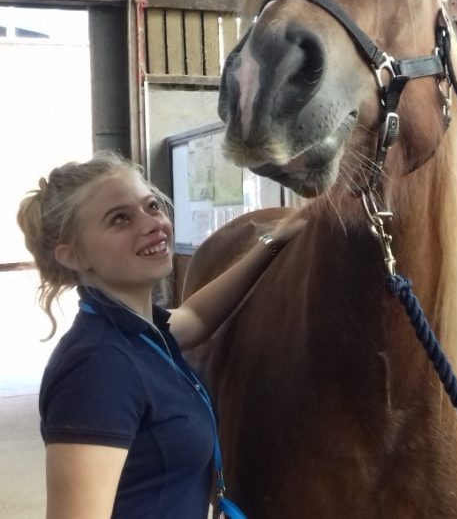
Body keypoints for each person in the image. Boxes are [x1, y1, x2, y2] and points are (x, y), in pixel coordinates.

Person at [17, 151, 304, 519]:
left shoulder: (139, 334)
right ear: (72, 256)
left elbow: (195, 317)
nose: (153, 224)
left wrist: (274, 241)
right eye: (120, 219)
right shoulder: (96, 369)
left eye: (151, 206)